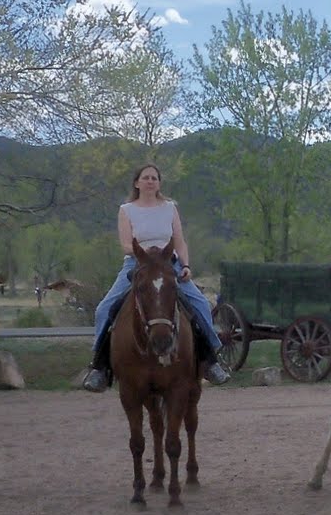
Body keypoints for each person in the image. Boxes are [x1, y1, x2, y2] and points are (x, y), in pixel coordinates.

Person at [81, 163, 231, 392]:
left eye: (154, 178)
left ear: (159, 183)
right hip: (137, 263)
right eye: (146, 177)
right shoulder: (127, 209)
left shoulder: (170, 208)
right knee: (105, 309)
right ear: (136, 182)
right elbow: (125, 243)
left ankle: (211, 361)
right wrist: (148, 254)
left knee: (199, 303)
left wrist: (186, 265)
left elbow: (179, 241)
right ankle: (99, 367)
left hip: (169, 264)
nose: (150, 181)